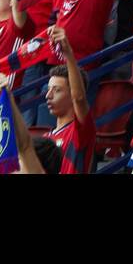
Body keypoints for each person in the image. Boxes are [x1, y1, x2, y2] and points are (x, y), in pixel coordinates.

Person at [43, 27, 95, 174]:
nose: (48, 95)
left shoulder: (81, 130)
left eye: (57, 90)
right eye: (49, 89)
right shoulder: (46, 138)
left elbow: (79, 98)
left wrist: (69, 55)